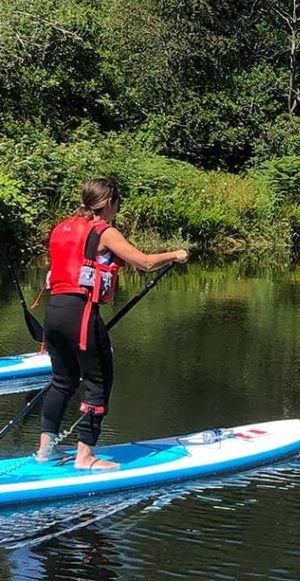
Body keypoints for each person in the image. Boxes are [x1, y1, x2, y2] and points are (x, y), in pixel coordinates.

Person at [36, 178, 188, 471]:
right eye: (117, 205)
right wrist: (175, 254)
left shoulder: (62, 228)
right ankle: (85, 456)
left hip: (54, 312)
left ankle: (46, 451)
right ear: (107, 204)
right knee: (98, 380)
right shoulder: (104, 231)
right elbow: (144, 262)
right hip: (79, 314)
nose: (117, 210)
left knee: (62, 381)